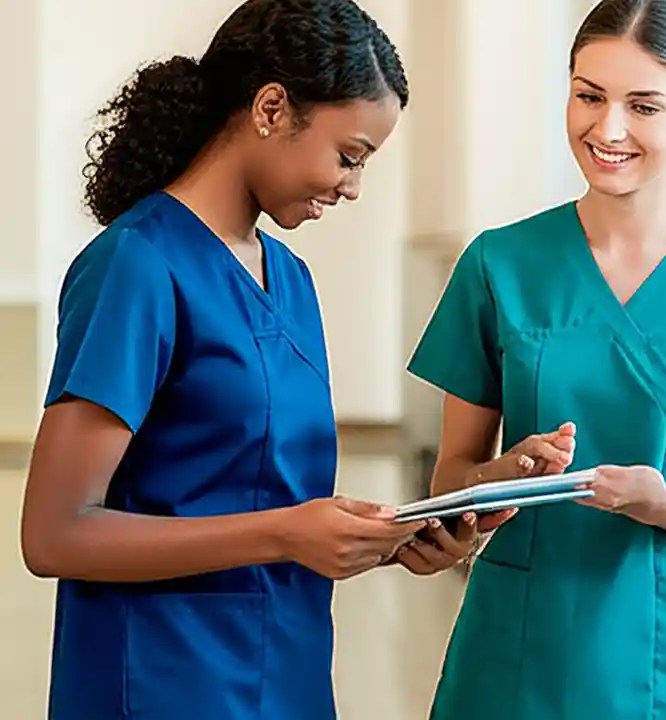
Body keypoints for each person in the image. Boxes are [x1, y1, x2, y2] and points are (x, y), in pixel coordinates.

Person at [17, 2, 508, 717]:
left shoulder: (290, 278)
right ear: (272, 108)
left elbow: (267, 495)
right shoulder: (138, 266)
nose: (353, 187)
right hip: (160, 680)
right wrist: (285, 534)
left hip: (286, 670)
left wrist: (386, 541)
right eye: (350, 156)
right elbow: (55, 534)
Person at [402, 0, 666, 717]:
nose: (607, 129)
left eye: (643, 105)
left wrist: (665, 506)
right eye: (588, 96)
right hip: (522, 654)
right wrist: (498, 483)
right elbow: (453, 477)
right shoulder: (500, 266)